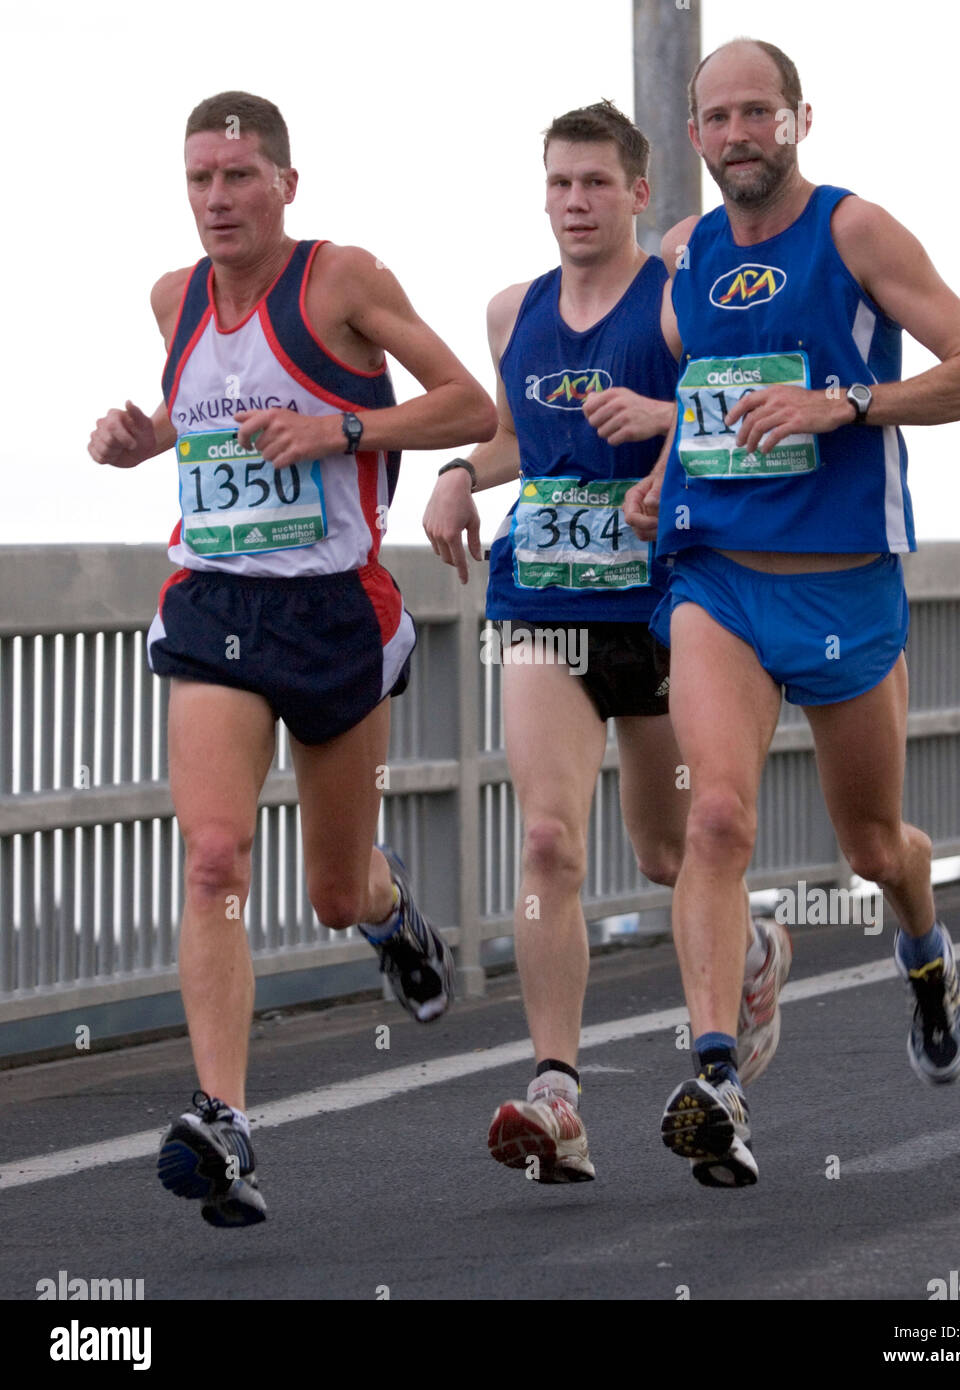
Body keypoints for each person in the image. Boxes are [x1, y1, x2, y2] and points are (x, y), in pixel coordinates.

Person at [88, 91, 496, 1226]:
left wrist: (344, 429)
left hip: (333, 609)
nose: (216, 199)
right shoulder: (174, 298)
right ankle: (222, 1116)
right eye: (199, 180)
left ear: (285, 184)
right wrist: (143, 439)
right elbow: (207, 411)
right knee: (215, 857)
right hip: (213, 600)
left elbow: (469, 399)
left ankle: (388, 913)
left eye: (238, 177)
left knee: (329, 889)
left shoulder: (341, 280)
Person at [624, 40, 960, 1188]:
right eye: (719, 118)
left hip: (842, 585)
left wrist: (847, 400)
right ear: (693, 138)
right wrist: (666, 474)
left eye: (760, 113)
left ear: (799, 120)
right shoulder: (681, 256)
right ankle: (716, 1073)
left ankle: (926, 952)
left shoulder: (855, 232)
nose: (740, 134)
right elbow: (708, 401)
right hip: (718, 579)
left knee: (872, 846)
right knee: (717, 823)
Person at [423, 101, 791, 1183]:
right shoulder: (512, 311)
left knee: (670, 853)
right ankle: (557, 1092)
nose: (575, 203)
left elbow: (736, 408)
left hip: (668, 600)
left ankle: (756, 946)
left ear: (639, 193)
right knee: (547, 843)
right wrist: (453, 474)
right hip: (543, 602)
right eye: (558, 184)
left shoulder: (677, 304)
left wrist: (669, 436)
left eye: (595, 183)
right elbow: (509, 436)